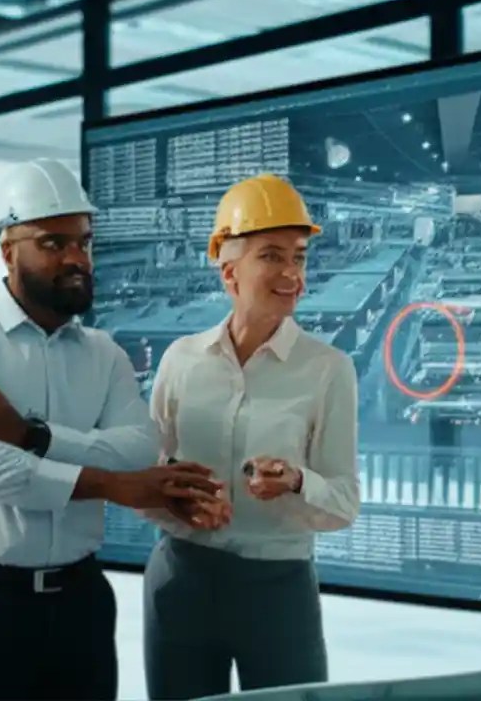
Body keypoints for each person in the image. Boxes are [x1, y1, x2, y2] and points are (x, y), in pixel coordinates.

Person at [0, 157, 223, 701]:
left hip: (80, 599)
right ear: (8, 250)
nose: (76, 257)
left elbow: (138, 450)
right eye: (53, 244)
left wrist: (31, 434)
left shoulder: (102, 353)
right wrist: (108, 485)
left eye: (83, 241)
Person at [141, 173, 362, 700]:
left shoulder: (328, 370)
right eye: (271, 255)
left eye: (300, 256)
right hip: (181, 580)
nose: (292, 273)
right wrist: (179, 503)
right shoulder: (181, 361)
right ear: (229, 271)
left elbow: (344, 502)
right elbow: (143, 478)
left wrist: (296, 482)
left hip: (278, 590)